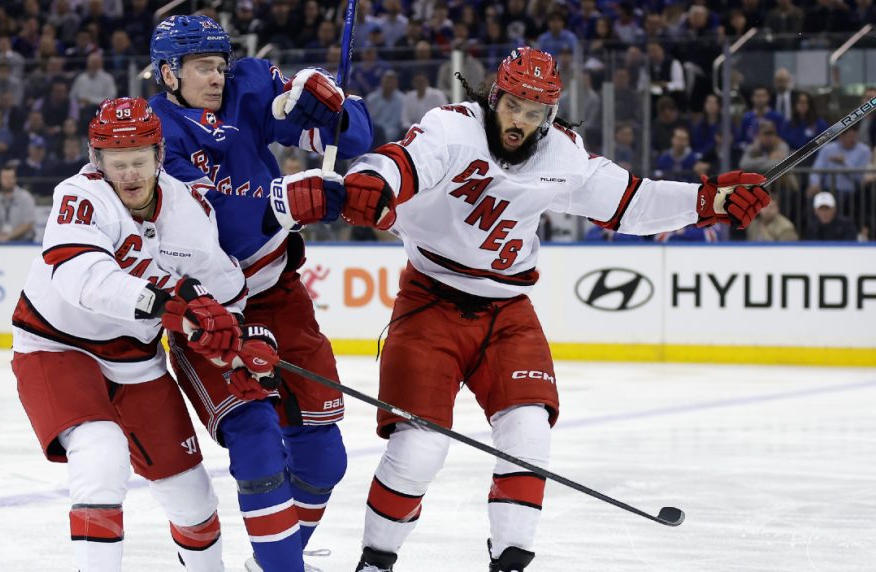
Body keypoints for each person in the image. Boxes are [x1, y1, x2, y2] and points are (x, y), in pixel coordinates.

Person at [288, 47, 771, 572]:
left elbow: (631, 200)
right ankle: (376, 563)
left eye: (534, 112)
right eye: (513, 105)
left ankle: (509, 562)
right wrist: (375, 183)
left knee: (529, 434)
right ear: (494, 96)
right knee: (419, 451)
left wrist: (708, 202)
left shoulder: (562, 156)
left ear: (550, 115)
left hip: (508, 312)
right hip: (430, 303)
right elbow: (403, 161)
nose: (519, 121)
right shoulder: (452, 129)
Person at [147, 15, 374, 572]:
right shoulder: (156, 131)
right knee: (256, 439)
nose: (217, 77)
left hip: (278, 291)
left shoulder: (250, 85)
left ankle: (273, 563)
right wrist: (283, 199)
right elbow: (202, 223)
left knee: (324, 457)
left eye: (220, 65)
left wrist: (326, 105)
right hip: (209, 308)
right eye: (202, 67)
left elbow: (357, 139)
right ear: (167, 73)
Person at [11, 97, 275, 572]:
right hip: (56, 345)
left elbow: (224, 296)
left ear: (159, 156)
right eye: (117, 164)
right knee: (99, 451)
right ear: (98, 162)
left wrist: (237, 348)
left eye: (139, 161)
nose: (130, 174)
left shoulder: (189, 211)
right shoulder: (80, 196)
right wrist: (165, 304)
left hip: (136, 360)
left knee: (192, 498)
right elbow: (82, 278)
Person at [0, 163, 37, 242]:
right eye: (5, 178)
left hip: (24, 242)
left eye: (11, 177)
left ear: (15, 179)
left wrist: (8, 237)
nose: (8, 180)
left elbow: (28, 224)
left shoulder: (26, 198)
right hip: (0, 243)